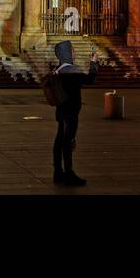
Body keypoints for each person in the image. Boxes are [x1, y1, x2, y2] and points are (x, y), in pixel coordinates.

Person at [50, 39, 97, 186]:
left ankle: (58, 171)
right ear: (66, 53)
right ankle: (69, 173)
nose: (74, 52)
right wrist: (94, 63)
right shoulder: (72, 71)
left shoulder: (58, 71)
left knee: (59, 141)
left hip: (61, 112)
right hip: (71, 113)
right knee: (67, 141)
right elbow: (90, 80)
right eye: (72, 50)